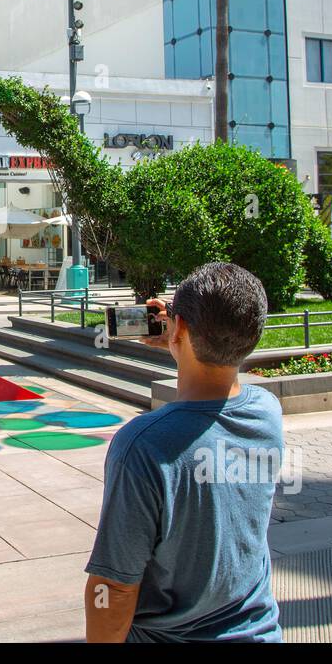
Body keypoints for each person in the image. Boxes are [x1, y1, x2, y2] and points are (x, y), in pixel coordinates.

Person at [84, 262, 283, 643]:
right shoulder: (267, 412)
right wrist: (183, 339)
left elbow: (115, 587)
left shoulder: (143, 445)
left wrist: (181, 339)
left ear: (182, 328)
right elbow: (220, 375)